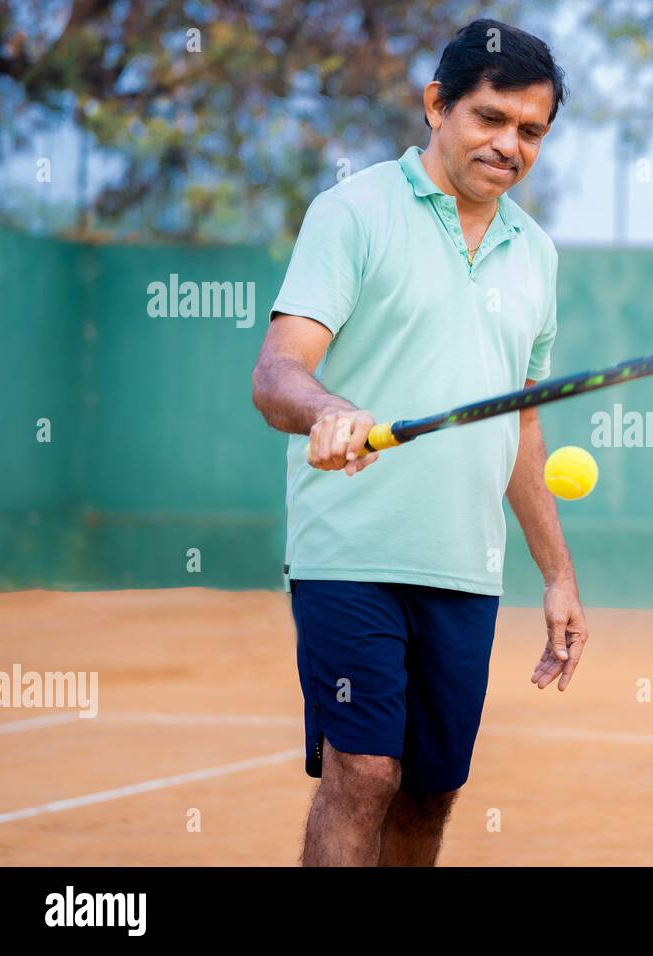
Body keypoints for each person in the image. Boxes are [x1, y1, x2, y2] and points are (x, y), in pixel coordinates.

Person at [251, 18, 586, 866]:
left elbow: (520, 422)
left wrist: (556, 576)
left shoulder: (535, 255)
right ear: (436, 105)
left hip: (464, 568)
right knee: (362, 772)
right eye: (489, 118)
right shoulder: (353, 211)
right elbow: (278, 373)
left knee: (431, 792)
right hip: (349, 555)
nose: (508, 144)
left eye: (531, 131)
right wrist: (330, 411)